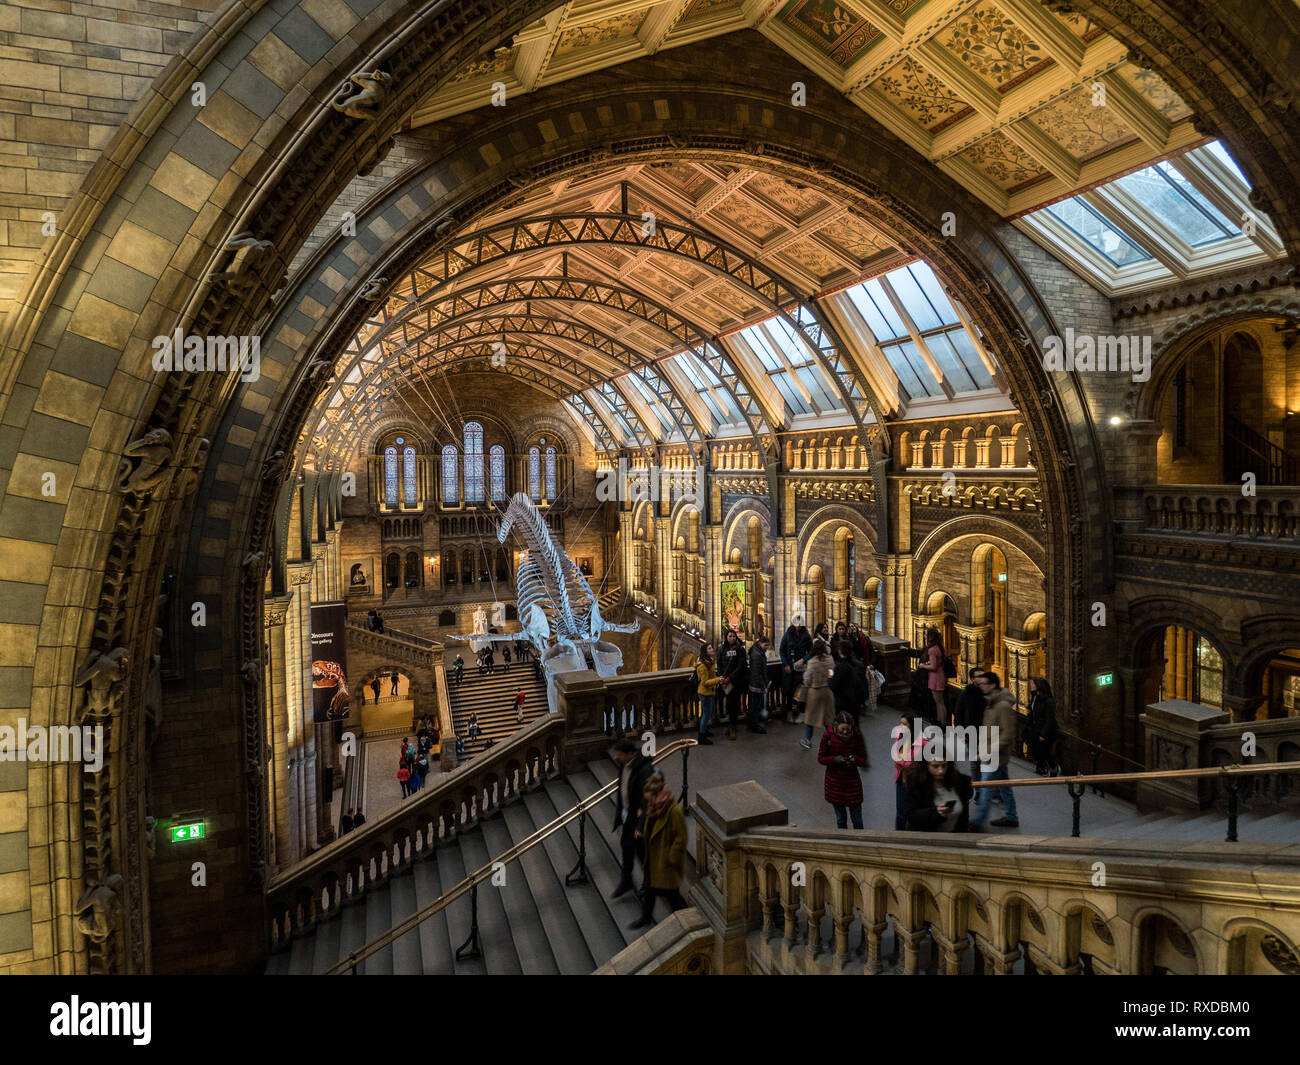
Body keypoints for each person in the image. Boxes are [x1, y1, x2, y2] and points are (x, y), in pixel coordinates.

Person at [629, 771, 687, 929]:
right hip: (653, 859)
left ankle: (683, 923)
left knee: (672, 896)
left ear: (657, 795)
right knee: (649, 891)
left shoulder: (674, 812)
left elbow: (681, 838)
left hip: (665, 862)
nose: (648, 803)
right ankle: (646, 917)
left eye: (649, 799)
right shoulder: (653, 807)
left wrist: (671, 858)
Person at [969, 671, 1019, 830]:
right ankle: (1011, 816)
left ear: (992, 685)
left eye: (983, 683)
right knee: (1004, 787)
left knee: (986, 788)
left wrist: (988, 751)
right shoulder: (992, 702)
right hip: (994, 754)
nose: (981, 686)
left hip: (994, 756)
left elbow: (1007, 733)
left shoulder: (1002, 706)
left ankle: (978, 821)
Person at [608, 736, 655, 899]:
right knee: (626, 846)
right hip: (628, 815)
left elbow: (646, 800)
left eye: (620, 754)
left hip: (639, 818)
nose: (617, 757)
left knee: (643, 854)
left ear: (630, 754)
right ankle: (626, 880)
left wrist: (640, 826)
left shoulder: (644, 770)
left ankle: (648, 885)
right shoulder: (624, 765)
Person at [818, 711, 868, 829]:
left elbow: (862, 758)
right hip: (835, 783)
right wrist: (834, 759)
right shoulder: (827, 736)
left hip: (852, 782)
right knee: (841, 820)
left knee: (857, 820)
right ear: (836, 726)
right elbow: (821, 758)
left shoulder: (856, 735)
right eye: (842, 729)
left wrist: (855, 759)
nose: (845, 732)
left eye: (847, 729)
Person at [901, 759, 973, 831]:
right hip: (926, 838)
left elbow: (963, 817)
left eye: (944, 765)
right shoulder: (916, 784)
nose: (941, 771)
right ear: (926, 766)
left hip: (954, 838)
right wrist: (936, 812)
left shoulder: (960, 782)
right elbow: (911, 816)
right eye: (935, 766)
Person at [800, 638, 834, 750]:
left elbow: (807, 679)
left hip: (814, 692)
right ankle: (832, 739)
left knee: (810, 718)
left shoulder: (812, 662)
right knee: (828, 718)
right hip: (827, 691)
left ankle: (808, 740)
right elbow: (832, 674)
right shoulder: (830, 659)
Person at [892, 712, 923, 830]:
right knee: (900, 812)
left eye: (904, 724)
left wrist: (903, 762)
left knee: (911, 812)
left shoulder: (921, 743)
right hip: (901, 778)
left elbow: (916, 763)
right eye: (900, 723)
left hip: (914, 781)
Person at [716, 628, 747, 740]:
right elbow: (719, 663)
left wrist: (729, 678)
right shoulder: (722, 649)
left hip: (735, 682)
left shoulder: (740, 650)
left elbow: (740, 666)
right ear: (726, 637)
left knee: (734, 704)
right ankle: (730, 724)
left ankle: (733, 726)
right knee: (727, 704)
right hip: (725, 681)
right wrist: (721, 676)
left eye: (734, 636)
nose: (732, 638)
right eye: (730, 636)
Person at [829, 638, 868, 727]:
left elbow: (834, 686)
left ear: (840, 651)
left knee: (844, 729)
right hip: (856, 702)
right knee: (855, 726)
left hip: (843, 703)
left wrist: (830, 677)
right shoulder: (858, 664)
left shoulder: (840, 666)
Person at [779, 617, 812, 722]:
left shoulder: (806, 635)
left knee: (801, 691)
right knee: (788, 691)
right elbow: (782, 650)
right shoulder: (787, 634)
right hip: (789, 669)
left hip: (801, 669)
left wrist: (803, 659)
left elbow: (812, 651)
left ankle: (801, 714)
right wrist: (785, 664)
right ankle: (789, 714)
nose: (798, 625)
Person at [1028, 677, 1059, 776]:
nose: (1030, 685)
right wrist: (1028, 706)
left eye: (1032, 684)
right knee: (1035, 749)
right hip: (1035, 727)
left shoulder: (1048, 701)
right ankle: (1041, 767)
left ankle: (1052, 767)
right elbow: (1035, 709)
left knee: (1045, 751)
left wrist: (1043, 734)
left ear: (1039, 686)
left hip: (1045, 730)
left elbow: (1049, 718)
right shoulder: (1035, 697)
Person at [694, 644, 721, 746]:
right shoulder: (702, 666)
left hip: (709, 692)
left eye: (711, 647)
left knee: (708, 713)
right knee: (706, 715)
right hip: (705, 693)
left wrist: (718, 678)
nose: (712, 649)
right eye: (709, 648)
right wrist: (718, 680)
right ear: (705, 651)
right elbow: (705, 682)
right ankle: (701, 737)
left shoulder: (709, 662)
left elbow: (712, 675)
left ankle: (704, 730)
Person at [920, 626, 947, 723]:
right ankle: (941, 722)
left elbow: (933, 667)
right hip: (940, 675)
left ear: (930, 637)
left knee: (939, 703)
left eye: (926, 634)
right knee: (940, 702)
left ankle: (942, 723)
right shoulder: (939, 647)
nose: (924, 636)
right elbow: (937, 663)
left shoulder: (932, 650)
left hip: (935, 677)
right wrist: (929, 663)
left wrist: (923, 665)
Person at [746, 634, 770, 734]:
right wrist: (763, 686)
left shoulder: (757, 651)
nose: (767, 648)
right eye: (766, 645)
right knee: (755, 706)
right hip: (756, 685)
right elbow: (757, 672)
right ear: (760, 643)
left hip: (755, 683)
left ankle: (752, 723)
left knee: (754, 706)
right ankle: (754, 725)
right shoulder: (757, 654)